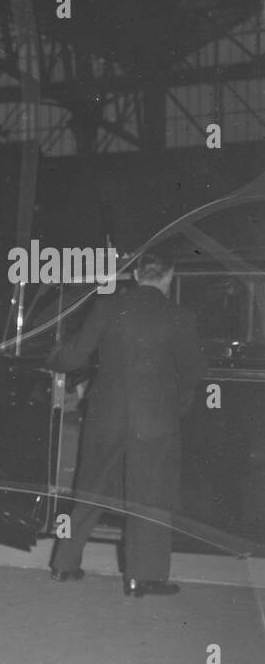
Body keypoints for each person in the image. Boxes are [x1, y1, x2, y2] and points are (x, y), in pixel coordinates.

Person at [48, 253, 206, 596]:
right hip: (155, 421)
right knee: (150, 497)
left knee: (89, 490)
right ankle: (142, 577)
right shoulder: (180, 316)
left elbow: (71, 357)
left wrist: (53, 353)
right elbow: (194, 373)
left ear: (135, 273)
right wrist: (172, 411)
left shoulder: (107, 307)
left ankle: (64, 564)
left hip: (106, 415)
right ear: (170, 275)